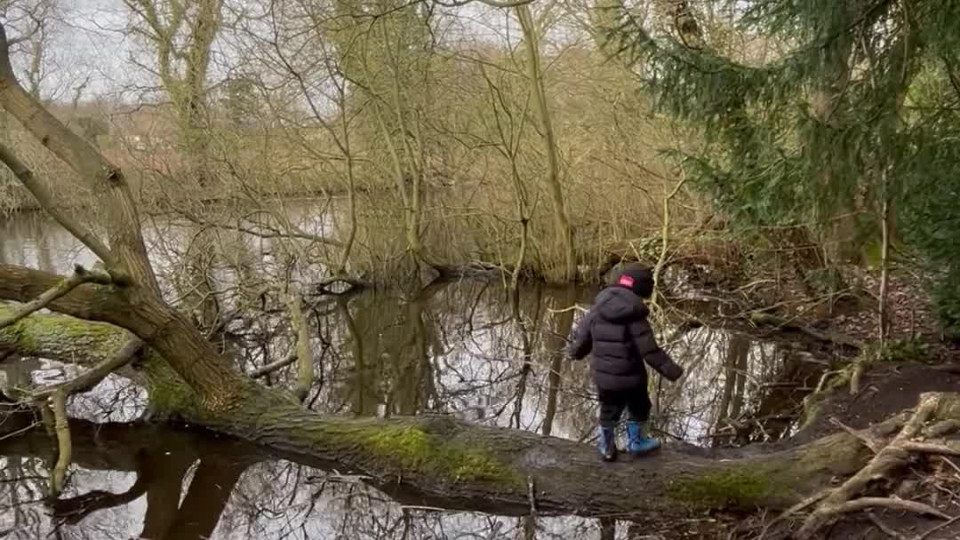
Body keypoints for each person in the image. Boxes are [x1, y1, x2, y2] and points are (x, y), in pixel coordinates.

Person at [569, 264, 684, 462]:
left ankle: (606, 447)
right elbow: (649, 351)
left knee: (608, 409)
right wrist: (672, 371)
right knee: (640, 406)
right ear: (642, 288)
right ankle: (637, 443)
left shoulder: (596, 311)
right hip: (632, 378)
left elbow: (581, 341)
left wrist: (574, 354)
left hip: (603, 377)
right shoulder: (635, 315)